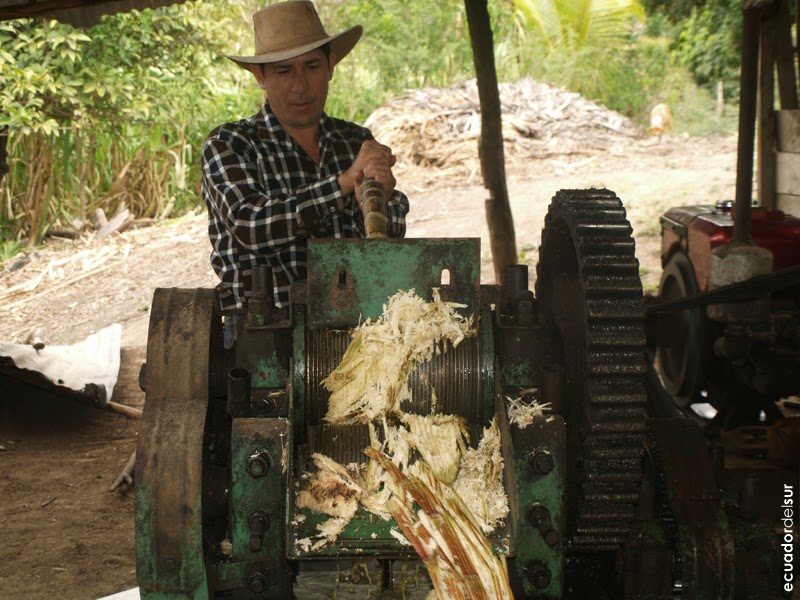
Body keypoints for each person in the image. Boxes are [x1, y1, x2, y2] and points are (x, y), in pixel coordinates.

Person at [201, 0, 409, 327]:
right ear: (260, 76)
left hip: (359, 325)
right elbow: (249, 225)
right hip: (265, 332)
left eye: (311, 66)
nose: (300, 85)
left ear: (330, 65)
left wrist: (380, 199)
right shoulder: (230, 144)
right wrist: (342, 184)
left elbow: (389, 240)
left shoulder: (355, 141)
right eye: (284, 70)